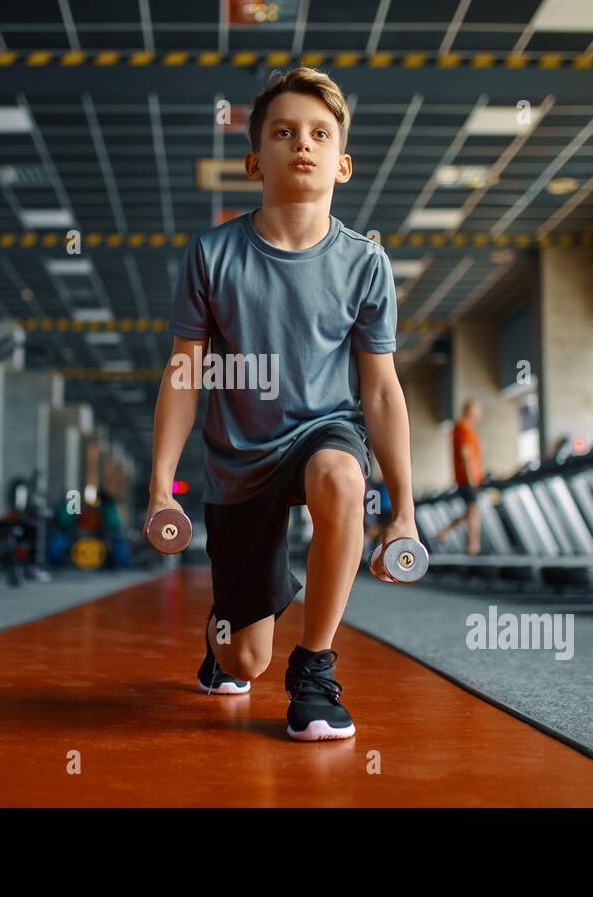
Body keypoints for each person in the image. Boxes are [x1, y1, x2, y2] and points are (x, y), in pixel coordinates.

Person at [144, 66, 418, 742]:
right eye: (284, 132)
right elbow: (185, 374)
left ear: (342, 163)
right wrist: (159, 488)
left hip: (324, 430)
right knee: (245, 660)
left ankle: (317, 671)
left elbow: (380, 389)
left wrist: (405, 508)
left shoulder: (365, 263)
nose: (304, 143)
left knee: (341, 478)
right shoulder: (212, 254)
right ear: (254, 159)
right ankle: (226, 640)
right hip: (241, 460)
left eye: (320, 133)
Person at [436, 399, 485, 555]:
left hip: (467, 477)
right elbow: (466, 454)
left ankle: (444, 532)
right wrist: (471, 478)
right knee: (473, 511)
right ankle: (473, 547)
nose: (480, 415)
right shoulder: (464, 428)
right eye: (478, 411)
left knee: (471, 511)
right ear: (471, 411)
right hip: (468, 478)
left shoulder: (462, 427)